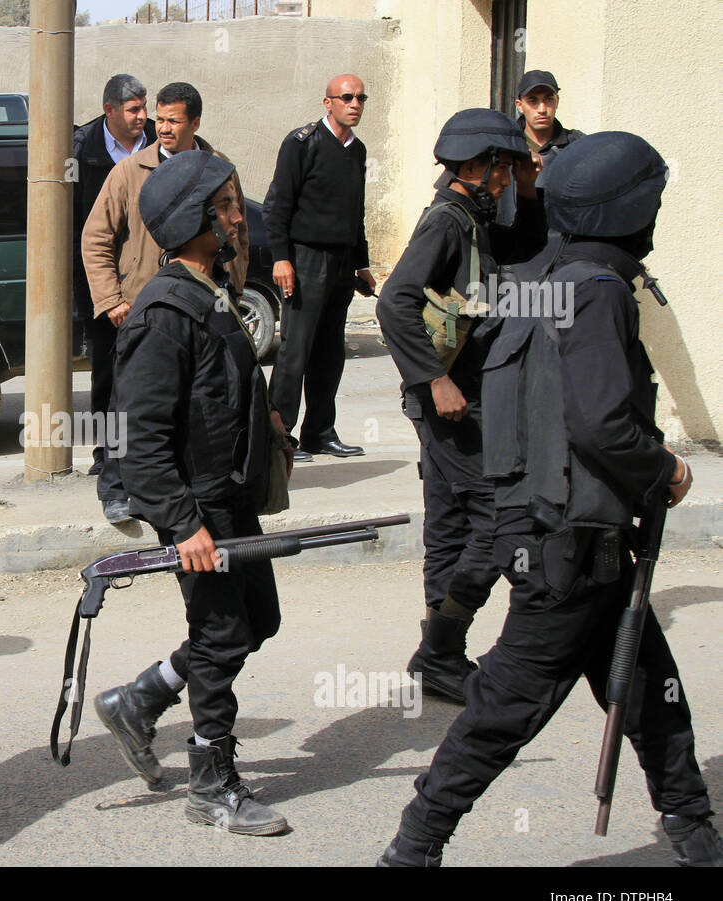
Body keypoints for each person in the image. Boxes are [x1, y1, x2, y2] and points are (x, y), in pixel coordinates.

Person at [380, 131, 722, 867]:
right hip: (569, 546)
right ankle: (412, 849)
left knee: (648, 691)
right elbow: (601, 422)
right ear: (628, 210)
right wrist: (662, 467)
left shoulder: (536, 281)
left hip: (560, 536)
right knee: (504, 711)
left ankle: (695, 831)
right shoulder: (595, 293)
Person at [92, 149, 290, 836]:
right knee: (222, 636)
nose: (239, 216)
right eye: (228, 206)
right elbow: (138, 440)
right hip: (199, 506)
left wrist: (261, 419)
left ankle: (139, 701)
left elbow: (218, 386)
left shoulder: (213, 290)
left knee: (256, 621)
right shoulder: (163, 312)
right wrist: (183, 526)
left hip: (232, 498)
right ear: (193, 219)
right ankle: (214, 784)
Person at [375, 109, 544, 705]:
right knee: (497, 521)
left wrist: (529, 187)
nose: (505, 181)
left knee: (447, 525)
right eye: (503, 169)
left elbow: (524, 249)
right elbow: (393, 303)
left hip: (459, 398)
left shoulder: (471, 216)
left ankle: (439, 655)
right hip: (448, 402)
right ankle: (440, 650)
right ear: (474, 167)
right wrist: (434, 384)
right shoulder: (447, 222)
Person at [81, 81, 249, 524]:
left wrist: (230, 288)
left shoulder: (220, 170)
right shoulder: (130, 171)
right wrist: (112, 300)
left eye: (175, 120)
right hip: (143, 308)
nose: (164, 128)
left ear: (195, 122)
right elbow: (95, 238)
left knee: (204, 401)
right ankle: (116, 489)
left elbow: (238, 233)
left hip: (204, 305)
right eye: (160, 119)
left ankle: (201, 482)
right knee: (126, 405)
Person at [265, 73, 375, 462]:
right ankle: (278, 435)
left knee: (331, 352)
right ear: (327, 102)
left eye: (361, 97)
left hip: (342, 263)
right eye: (347, 97)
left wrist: (361, 264)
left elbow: (355, 212)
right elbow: (278, 204)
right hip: (305, 258)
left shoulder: (357, 150)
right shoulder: (302, 144)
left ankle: (320, 432)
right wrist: (281, 257)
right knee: (296, 350)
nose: (355, 104)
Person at [72, 75, 157, 480]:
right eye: (134, 109)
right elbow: (77, 230)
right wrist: (101, 293)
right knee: (106, 368)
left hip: (152, 280)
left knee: (154, 368)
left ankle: (146, 452)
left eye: (144, 107)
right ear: (110, 111)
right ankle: (104, 453)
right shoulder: (80, 148)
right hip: (102, 285)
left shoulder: (162, 142)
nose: (144, 116)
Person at [515, 69, 584, 161]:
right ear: (520, 106)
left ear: (557, 101)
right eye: (533, 101)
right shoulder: (508, 145)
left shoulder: (578, 145)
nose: (542, 110)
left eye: (548, 99)